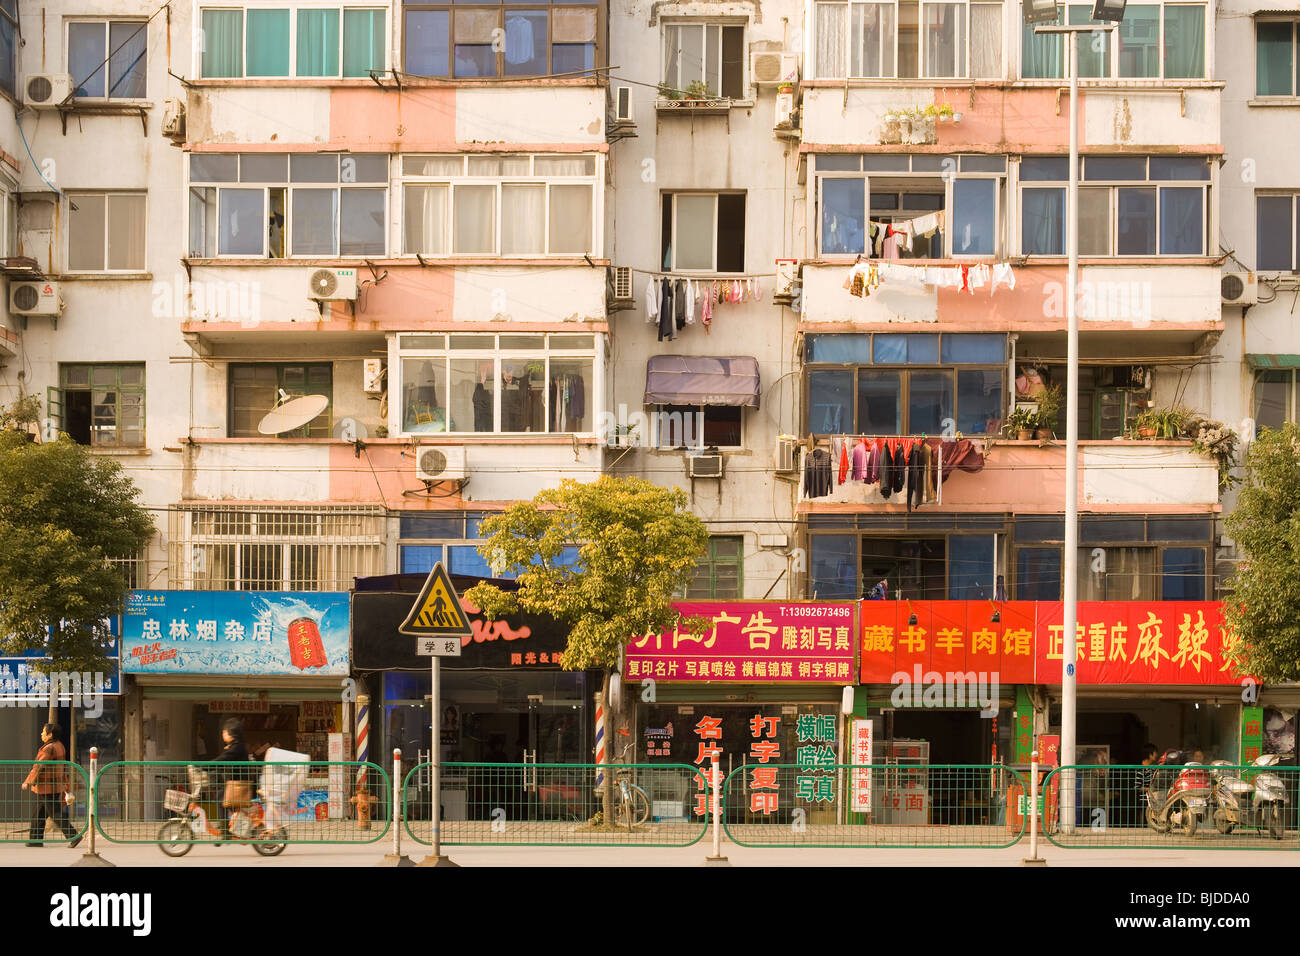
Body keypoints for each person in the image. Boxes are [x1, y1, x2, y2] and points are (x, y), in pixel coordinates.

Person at [22, 722, 79, 848]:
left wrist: (28, 781)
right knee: (39, 813)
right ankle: (35, 840)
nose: (42, 734)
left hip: (46, 786)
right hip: (55, 785)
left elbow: (38, 766)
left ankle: (74, 835)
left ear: (50, 734)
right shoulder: (60, 746)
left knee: (55, 813)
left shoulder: (48, 748)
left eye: (43, 732)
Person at [209, 718, 253, 840]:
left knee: (220, 798)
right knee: (224, 800)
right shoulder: (235, 747)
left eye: (224, 732)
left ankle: (225, 831)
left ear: (231, 733)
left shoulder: (237, 747)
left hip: (239, 784)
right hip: (234, 783)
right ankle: (230, 828)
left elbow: (223, 759)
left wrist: (204, 765)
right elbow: (223, 760)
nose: (223, 734)